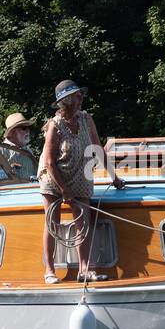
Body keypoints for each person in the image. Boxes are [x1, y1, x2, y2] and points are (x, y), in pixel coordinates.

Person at [40, 80, 124, 283]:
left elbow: (97, 148)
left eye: (80, 95)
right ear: (67, 101)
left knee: (83, 222)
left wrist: (114, 177)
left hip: (79, 174)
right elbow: (50, 163)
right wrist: (63, 189)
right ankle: (49, 271)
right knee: (53, 222)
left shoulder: (87, 119)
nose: (81, 98)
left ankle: (84, 270)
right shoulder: (55, 126)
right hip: (53, 177)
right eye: (77, 96)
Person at [0, 112, 36, 179]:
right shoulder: (0, 151)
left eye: (28, 127)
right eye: (24, 128)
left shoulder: (28, 150)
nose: (28, 131)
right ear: (12, 132)